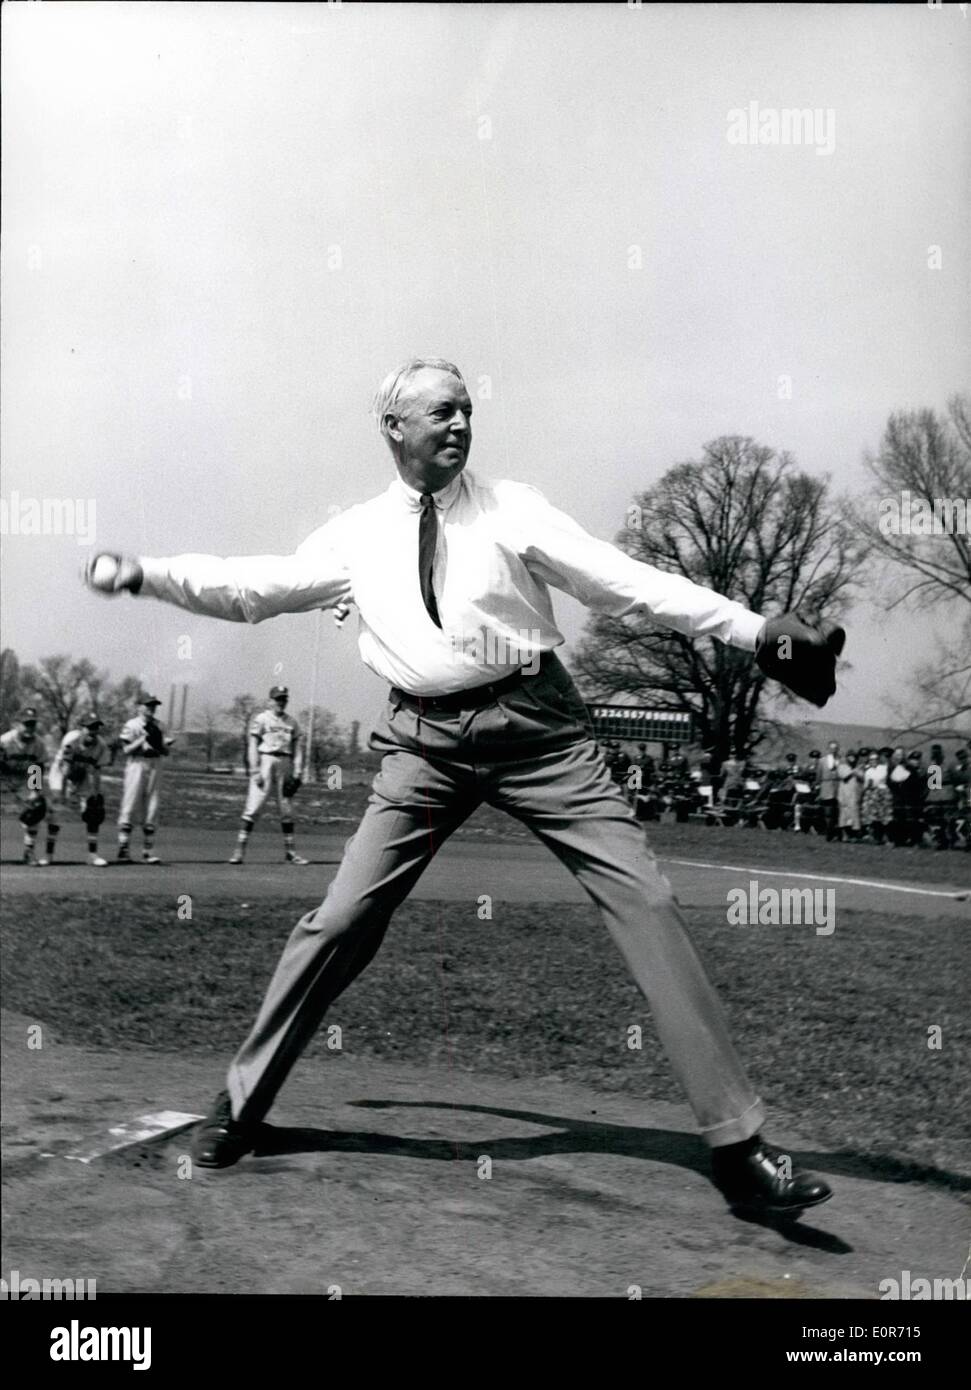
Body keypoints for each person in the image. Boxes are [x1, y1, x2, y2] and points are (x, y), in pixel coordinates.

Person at [84, 356, 843, 1214]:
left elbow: (626, 583)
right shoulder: (357, 535)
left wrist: (754, 631)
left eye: (467, 411)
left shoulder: (512, 508)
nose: (458, 424)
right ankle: (243, 1102)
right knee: (338, 920)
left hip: (540, 736)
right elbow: (253, 588)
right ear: (393, 429)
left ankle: (739, 1148)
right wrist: (148, 573)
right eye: (440, 411)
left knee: (647, 903)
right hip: (424, 745)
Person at [230, 686, 309, 865]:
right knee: (253, 807)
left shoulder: (292, 723)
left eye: (284, 699)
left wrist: (297, 771)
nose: (281, 702)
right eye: (278, 699)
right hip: (266, 760)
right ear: (270, 701)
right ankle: (239, 851)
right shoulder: (262, 719)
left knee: (286, 809)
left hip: (285, 762)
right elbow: (252, 745)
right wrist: (254, 769)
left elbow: (298, 749)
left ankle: (290, 853)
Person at [47, 713, 112, 866]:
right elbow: (65, 769)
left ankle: (92, 854)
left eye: (96, 727)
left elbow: (96, 772)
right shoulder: (71, 740)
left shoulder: (101, 745)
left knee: (94, 810)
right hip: (61, 774)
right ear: (81, 728)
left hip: (82, 775)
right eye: (89, 727)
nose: (93, 731)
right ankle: (48, 855)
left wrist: (96, 794)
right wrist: (63, 794)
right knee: (56, 811)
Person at [117, 694, 174, 864]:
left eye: (154, 706)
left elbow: (166, 751)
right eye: (148, 705)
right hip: (137, 763)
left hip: (155, 763)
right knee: (130, 804)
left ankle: (148, 851)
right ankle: (123, 849)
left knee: (152, 805)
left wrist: (159, 744)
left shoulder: (160, 726)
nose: (152, 708)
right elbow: (126, 750)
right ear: (139, 707)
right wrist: (143, 738)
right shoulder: (132, 725)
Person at [0, 707, 51, 865]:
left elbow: (37, 767)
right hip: (3, 778)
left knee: (36, 806)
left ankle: (29, 852)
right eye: (26, 723)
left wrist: (34, 792)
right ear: (17, 724)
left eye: (33, 724)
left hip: (24, 779)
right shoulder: (4, 741)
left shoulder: (39, 744)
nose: (30, 728)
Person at [861, 749, 892, 846]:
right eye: (871, 760)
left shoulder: (883, 768)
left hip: (883, 793)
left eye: (875, 759)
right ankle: (877, 837)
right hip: (872, 794)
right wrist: (868, 786)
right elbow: (866, 785)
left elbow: (882, 779)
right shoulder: (868, 771)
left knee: (885, 816)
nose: (873, 761)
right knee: (874, 817)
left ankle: (887, 837)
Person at [815, 741, 841, 841]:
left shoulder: (840, 760)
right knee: (828, 810)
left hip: (838, 787)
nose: (833, 750)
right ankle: (829, 831)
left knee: (836, 811)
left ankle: (835, 831)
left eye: (835, 748)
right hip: (826, 786)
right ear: (828, 749)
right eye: (831, 748)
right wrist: (818, 786)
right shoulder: (822, 761)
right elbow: (818, 775)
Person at [836, 750, 864, 842]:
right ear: (847, 757)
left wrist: (857, 771)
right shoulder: (842, 766)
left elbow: (862, 777)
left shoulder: (859, 767)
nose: (852, 759)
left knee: (854, 815)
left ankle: (854, 836)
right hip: (844, 794)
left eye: (854, 757)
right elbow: (844, 776)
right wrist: (854, 771)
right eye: (850, 757)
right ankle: (844, 835)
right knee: (844, 815)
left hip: (854, 794)